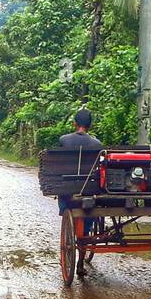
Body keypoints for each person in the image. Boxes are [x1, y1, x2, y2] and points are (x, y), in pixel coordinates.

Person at [57, 109, 105, 275]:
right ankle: (80, 264)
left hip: (68, 192)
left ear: (74, 123)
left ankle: (67, 225)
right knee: (86, 225)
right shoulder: (97, 144)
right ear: (90, 125)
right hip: (88, 191)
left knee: (66, 199)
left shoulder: (63, 140)